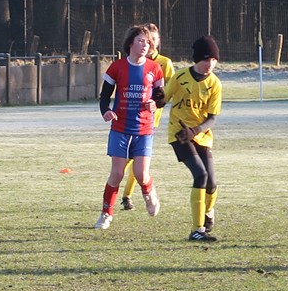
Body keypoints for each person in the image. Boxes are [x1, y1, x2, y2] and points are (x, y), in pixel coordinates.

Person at [94, 24, 165, 230]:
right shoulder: (117, 67)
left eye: (148, 42)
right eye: (141, 41)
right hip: (120, 128)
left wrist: (155, 103)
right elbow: (104, 96)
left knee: (141, 174)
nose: (145, 45)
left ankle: (150, 194)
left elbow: (160, 98)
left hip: (144, 129)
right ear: (130, 44)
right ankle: (106, 214)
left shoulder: (154, 68)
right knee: (117, 174)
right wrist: (106, 111)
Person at [165, 35, 223, 242]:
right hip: (179, 135)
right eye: (206, 59)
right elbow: (163, 98)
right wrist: (155, 98)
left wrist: (196, 130)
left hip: (201, 136)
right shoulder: (180, 77)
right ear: (197, 59)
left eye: (214, 60)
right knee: (200, 175)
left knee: (212, 184)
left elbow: (212, 118)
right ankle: (197, 230)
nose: (210, 64)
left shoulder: (215, 83)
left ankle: (208, 212)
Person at [120, 22, 175, 211]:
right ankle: (121, 191)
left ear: (157, 42)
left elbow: (169, 89)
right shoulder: (132, 61)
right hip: (129, 117)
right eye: (145, 39)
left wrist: (158, 101)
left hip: (149, 119)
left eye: (153, 39)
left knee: (138, 159)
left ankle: (127, 195)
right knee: (127, 159)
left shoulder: (164, 63)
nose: (149, 43)